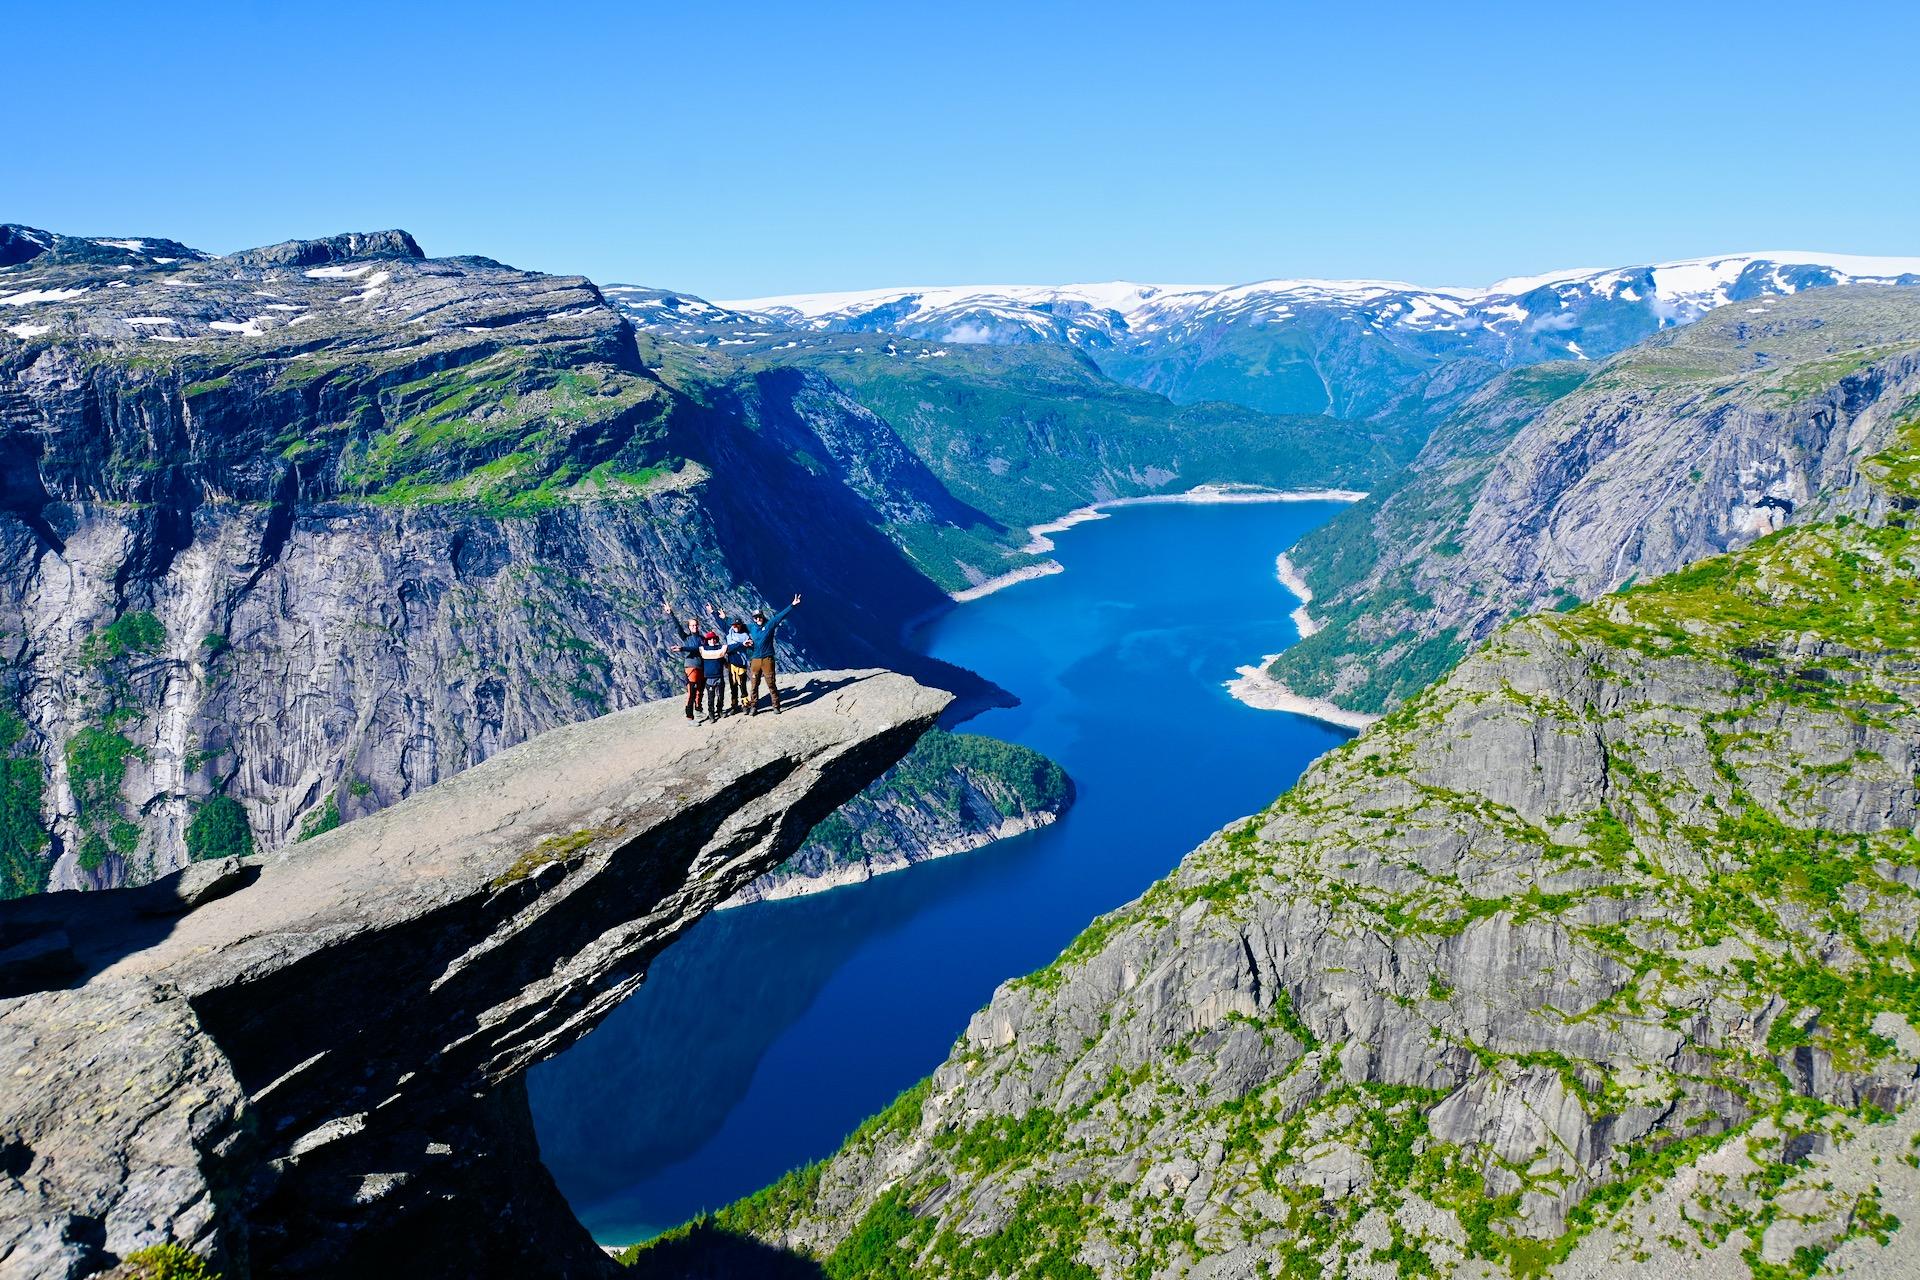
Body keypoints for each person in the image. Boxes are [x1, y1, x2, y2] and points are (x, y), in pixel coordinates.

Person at [743, 593, 802, 715]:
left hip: (767, 659)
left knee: (771, 683)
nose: (758, 619)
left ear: (762, 616)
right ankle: (754, 706)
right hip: (755, 660)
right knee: (754, 685)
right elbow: (736, 625)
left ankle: (776, 705)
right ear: (753, 619)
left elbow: (780, 616)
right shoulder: (750, 627)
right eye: (756, 617)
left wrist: (792, 605)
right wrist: (720, 616)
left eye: (759, 616)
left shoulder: (769, 625)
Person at [666, 607, 706, 722]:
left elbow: (700, 649)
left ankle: (698, 711)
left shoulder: (703, 639)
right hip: (691, 667)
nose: (694, 627)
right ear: (689, 627)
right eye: (692, 625)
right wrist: (671, 614)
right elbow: (678, 628)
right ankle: (689, 717)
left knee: (700, 691)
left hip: (701, 667)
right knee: (692, 692)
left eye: (696, 625)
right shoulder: (686, 638)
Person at [696, 629, 730, 722]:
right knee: (711, 697)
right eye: (710, 639)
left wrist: (726, 664)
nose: (712, 640)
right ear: (707, 641)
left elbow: (722, 660)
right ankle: (711, 713)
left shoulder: (719, 650)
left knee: (720, 696)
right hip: (709, 678)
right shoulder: (704, 651)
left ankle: (719, 710)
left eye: (714, 639)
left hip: (719, 676)